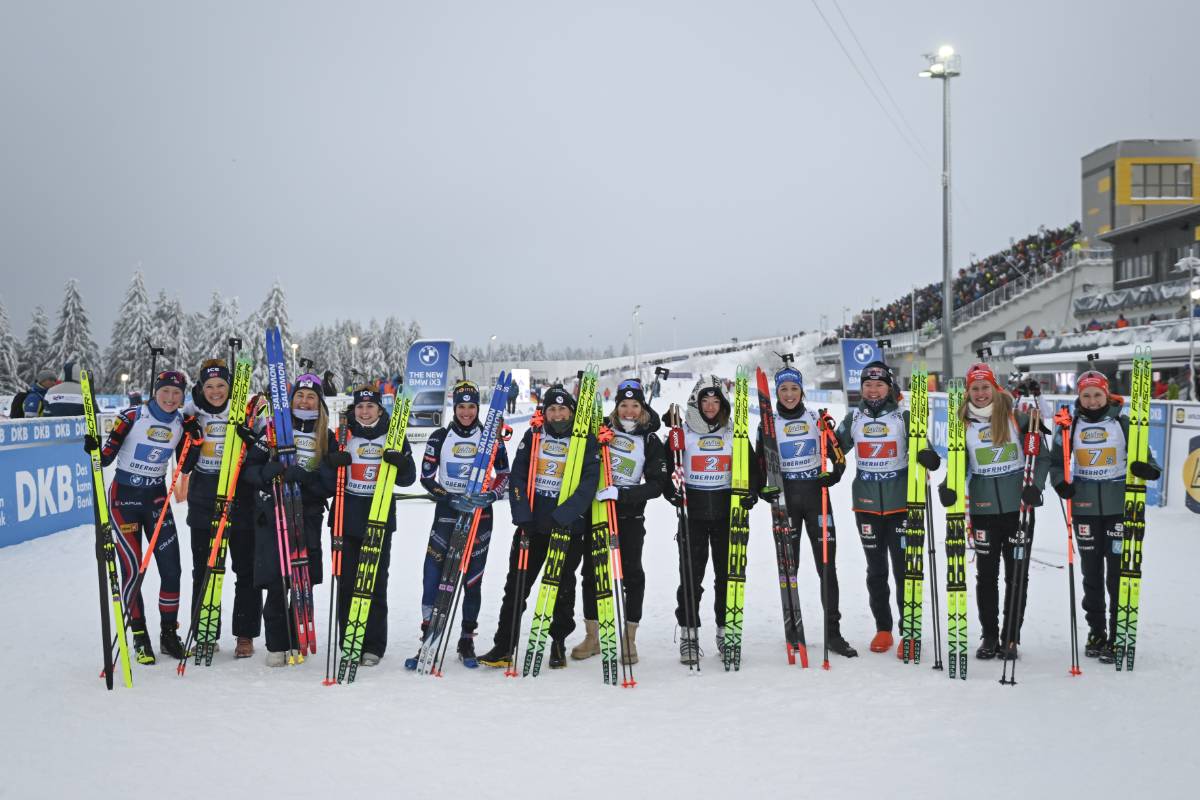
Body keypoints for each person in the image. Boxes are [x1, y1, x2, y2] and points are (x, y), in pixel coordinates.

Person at [477, 386, 600, 669]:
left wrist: (564, 515)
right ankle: (504, 645)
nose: (557, 414)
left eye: (562, 409)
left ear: (571, 411)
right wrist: (523, 515)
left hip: (567, 527)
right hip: (532, 526)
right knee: (516, 586)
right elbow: (518, 477)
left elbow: (588, 484)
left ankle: (557, 642)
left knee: (562, 588)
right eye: (551, 409)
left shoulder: (585, 440)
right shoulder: (534, 435)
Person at [84, 370, 202, 664]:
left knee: (172, 570)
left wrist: (195, 439)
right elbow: (106, 457)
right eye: (166, 391)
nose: (171, 398)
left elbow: (186, 464)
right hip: (124, 500)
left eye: (177, 393)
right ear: (155, 392)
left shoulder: (180, 423)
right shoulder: (132, 417)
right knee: (133, 570)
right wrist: (94, 448)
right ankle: (139, 636)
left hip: (157, 501)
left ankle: (168, 635)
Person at [938, 363, 1048, 660]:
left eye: (985, 387)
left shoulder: (1016, 417)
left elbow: (1042, 456)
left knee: (1017, 575)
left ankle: (1010, 637)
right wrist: (948, 486)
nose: (980, 393)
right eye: (975, 388)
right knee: (986, 576)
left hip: (1018, 508)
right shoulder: (962, 423)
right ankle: (989, 636)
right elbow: (958, 464)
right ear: (968, 392)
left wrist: (1035, 486)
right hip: (983, 508)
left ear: (994, 388)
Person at [1050, 371, 1160, 663]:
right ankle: (1096, 631)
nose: (1092, 400)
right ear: (1079, 397)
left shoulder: (1122, 423)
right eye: (1086, 395)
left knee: (1117, 575)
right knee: (1091, 574)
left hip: (1118, 507)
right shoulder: (1069, 425)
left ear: (1106, 394)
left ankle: (1117, 633)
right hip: (1084, 507)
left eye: (1097, 394)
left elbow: (1149, 460)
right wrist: (1061, 482)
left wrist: (1147, 469)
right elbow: (1056, 462)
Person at [835, 361, 939, 658]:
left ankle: (910, 631)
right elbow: (836, 449)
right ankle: (883, 628)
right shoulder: (853, 418)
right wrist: (826, 438)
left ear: (889, 387)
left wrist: (929, 457)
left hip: (901, 504)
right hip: (866, 504)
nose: (873, 389)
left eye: (879, 384)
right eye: (868, 384)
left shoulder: (903, 417)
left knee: (905, 570)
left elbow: (928, 451)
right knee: (876, 570)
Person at [406, 380, 510, 669]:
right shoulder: (440, 437)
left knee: (472, 580)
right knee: (433, 576)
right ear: (454, 407)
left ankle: (466, 639)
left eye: (471, 406)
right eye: (461, 406)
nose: (466, 412)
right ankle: (428, 637)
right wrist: (450, 498)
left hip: (480, 515)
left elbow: (504, 473)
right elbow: (426, 478)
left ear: (478, 407)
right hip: (448, 513)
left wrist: (491, 495)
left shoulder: (490, 438)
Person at [568, 378, 670, 665]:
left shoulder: (650, 440)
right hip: (597, 511)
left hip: (630, 516)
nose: (628, 411)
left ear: (642, 407)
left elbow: (657, 484)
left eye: (634, 405)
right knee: (592, 573)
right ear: (616, 407)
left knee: (631, 574)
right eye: (623, 405)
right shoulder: (602, 429)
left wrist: (623, 494)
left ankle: (629, 638)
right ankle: (592, 636)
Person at [666, 375, 765, 665]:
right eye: (705, 401)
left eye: (715, 401)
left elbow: (752, 469)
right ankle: (689, 634)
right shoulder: (683, 432)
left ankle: (725, 631)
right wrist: (672, 492)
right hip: (693, 515)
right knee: (691, 578)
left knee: (727, 577)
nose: (710, 406)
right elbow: (667, 468)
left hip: (727, 514)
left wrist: (750, 493)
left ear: (723, 404)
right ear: (696, 403)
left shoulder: (733, 431)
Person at [759, 367, 856, 657]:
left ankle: (833, 634)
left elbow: (838, 456)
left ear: (802, 391)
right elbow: (758, 463)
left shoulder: (816, 418)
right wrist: (761, 489)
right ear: (777, 392)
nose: (789, 395)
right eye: (783, 389)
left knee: (827, 566)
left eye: (794, 389)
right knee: (790, 568)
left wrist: (834, 475)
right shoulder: (768, 423)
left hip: (816, 498)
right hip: (786, 499)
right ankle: (793, 631)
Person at [242, 373, 337, 666]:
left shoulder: (326, 436)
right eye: (300, 396)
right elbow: (249, 470)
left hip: (307, 514)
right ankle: (276, 643)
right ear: (291, 399)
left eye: (311, 397)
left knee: (301, 581)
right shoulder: (272, 430)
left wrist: (307, 479)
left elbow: (331, 484)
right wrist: (266, 472)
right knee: (276, 580)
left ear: (319, 403)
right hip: (274, 514)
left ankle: (297, 639)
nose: (304, 402)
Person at [323, 386, 415, 667]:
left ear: (379, 409)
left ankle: (373, 644)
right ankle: (350, 640)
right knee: (347, 581)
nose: (364, 412)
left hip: (379, 516)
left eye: (370, 406)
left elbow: (408, 478)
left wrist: (400, 463)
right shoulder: (342, 435)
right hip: (346, 517)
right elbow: (326, 481)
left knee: (375, 582)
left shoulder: (394, 435)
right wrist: (331, 463)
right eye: (360, 407)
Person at [183, 360, 260, 659]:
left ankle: (245, 634)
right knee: (205, 569)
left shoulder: (246, 409)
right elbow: (184, 464)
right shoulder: (191, 412)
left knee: (245, 569)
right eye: (209, 386)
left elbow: (264, 449)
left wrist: (252, 442)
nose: (215, 391)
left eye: (221, 386)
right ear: (202, 387)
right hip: (203, 497)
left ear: (230, 387)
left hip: (240, 496)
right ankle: (204, 631)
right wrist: (192, 440)